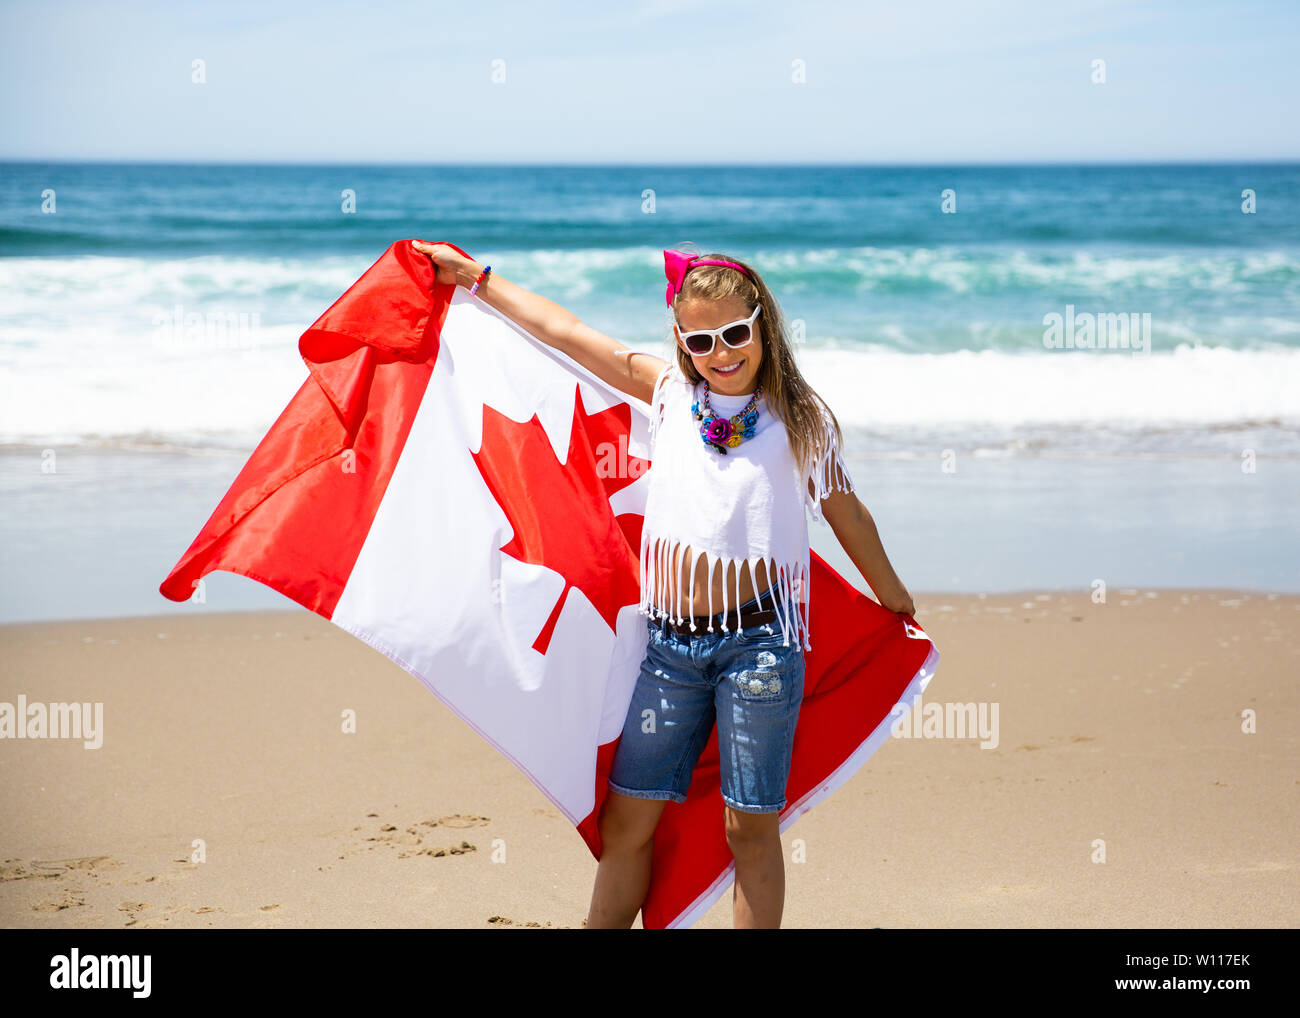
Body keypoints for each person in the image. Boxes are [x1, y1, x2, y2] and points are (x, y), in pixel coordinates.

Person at [411, 240, 916, 929]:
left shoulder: (800, 420)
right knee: (627, 821)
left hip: (762, 649)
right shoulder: (672, 396)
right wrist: (478, 279)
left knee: (748, 828)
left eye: (737, 333)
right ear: (682, 340)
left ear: (763, 324)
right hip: (670, 653)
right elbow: (568, 333)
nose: (723, 352)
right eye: (703, 339)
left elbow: (845, 510)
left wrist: (894, 597)